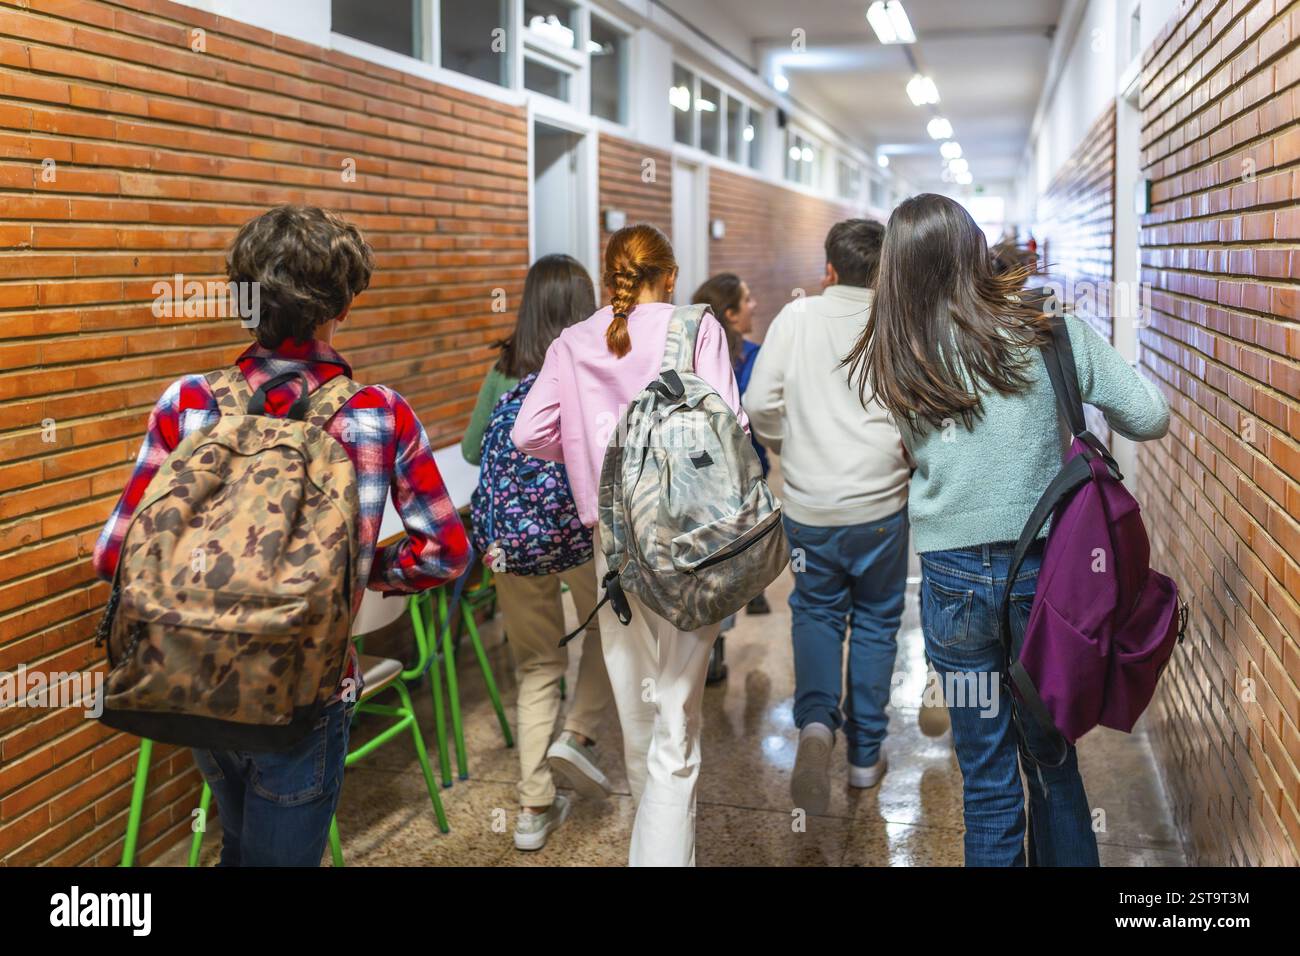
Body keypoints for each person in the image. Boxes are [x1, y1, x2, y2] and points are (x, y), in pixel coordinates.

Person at [93, 205, 471, 866]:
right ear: (342, 307)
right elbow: (444, 554)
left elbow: (114, 557)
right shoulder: (378, 414)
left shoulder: (185, 402)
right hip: (308, 686)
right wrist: (356, 570)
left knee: (236, 838)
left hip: (192, 678)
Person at [843, 193, 1170, 866]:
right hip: (1048, 587)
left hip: (953, 591)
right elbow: (1149, 416)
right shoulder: (1048, 329)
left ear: (897, 268)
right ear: (974, 249)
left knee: (987, 781)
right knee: (1053, 765)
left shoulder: (895, 351)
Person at [511, 223, 747, 867]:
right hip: (689, 540)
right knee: (677, 721)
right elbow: (735, 425)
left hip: (611, 547)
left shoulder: (572, 341)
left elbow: (529, 432)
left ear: (611, 274)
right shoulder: (697, 330)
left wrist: (592, 454)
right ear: (667, 277)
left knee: (643, 721)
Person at [743, 219, 911, 815]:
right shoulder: (898, 320)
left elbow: (759, 402)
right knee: (875, 620)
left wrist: (792, 447)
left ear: (830, 269)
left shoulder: (796, 318)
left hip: (811, 509)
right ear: (884, 270)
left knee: (815, 611)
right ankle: (866, 756)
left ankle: (816, 727)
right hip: (881, 509)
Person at [463, 254, 616, 852]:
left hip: (514, 541)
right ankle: (575, 736)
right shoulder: (592, 367)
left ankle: (531, 808)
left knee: (535, 668)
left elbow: (476, 451)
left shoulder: (504, 370)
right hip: (579, 533)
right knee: (609, 632)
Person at [691, 273, 770, 685]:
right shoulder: (753, 356)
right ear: (729, 314)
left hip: (695, 476)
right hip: (742, 479)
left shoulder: (684, 350)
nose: (754, 306)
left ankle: (708, 650)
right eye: (747, 300)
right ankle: (722, 637)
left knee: (706, 565)